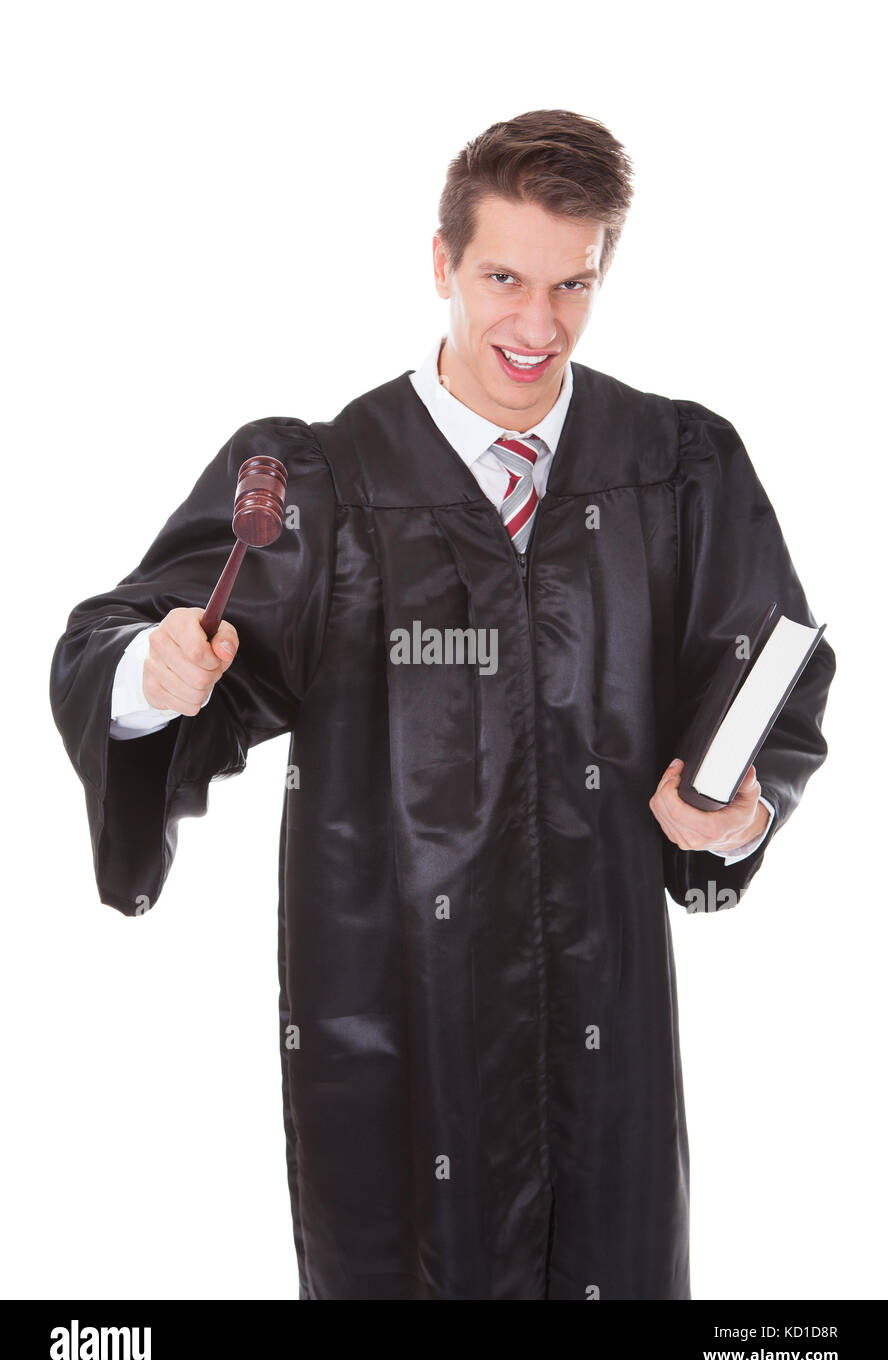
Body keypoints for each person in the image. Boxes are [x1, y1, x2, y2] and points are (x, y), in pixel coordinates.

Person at [49, 109, 835, 1300]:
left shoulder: (677, 467)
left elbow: (769, 683)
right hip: (391, 1015)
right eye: (503, 276)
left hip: (604, 1019)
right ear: (440, 264)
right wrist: (150, 676)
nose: (537, 324)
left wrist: (740, 814)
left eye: (574, 282)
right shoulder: (325, 483)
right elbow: (114, 639)